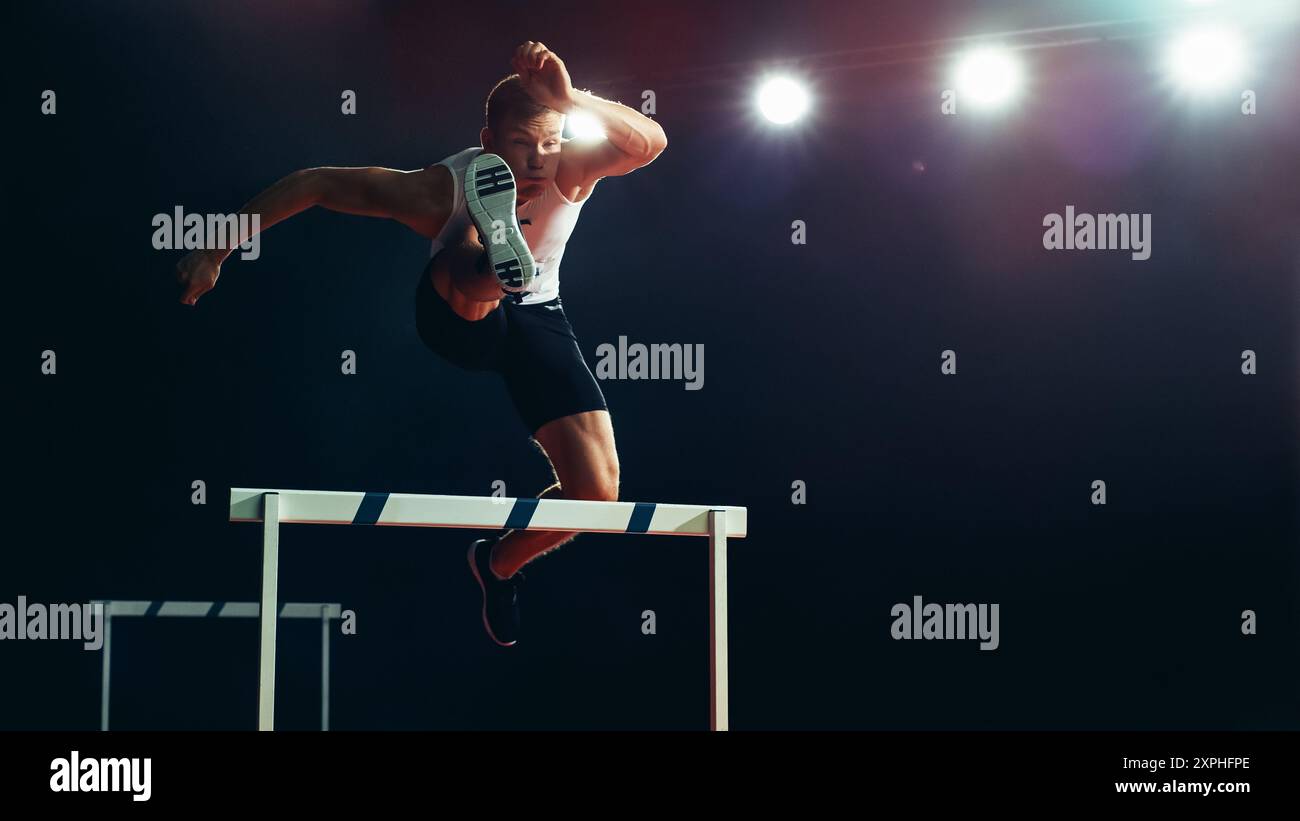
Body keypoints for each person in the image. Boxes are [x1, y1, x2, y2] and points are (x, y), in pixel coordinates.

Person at [175, 41, 667, 647]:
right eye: (520, 145)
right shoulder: (440, 189)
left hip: (538, 318)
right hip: (455, 312)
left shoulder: (569, 164)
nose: (539, 161)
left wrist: (569, 98)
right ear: (488, 141)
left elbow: (650, 143)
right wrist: (217, 247)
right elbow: (317, 183)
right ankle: (495, 257)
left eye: (549, 142)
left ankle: (498, 563)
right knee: (468, 269)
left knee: (599, 496)